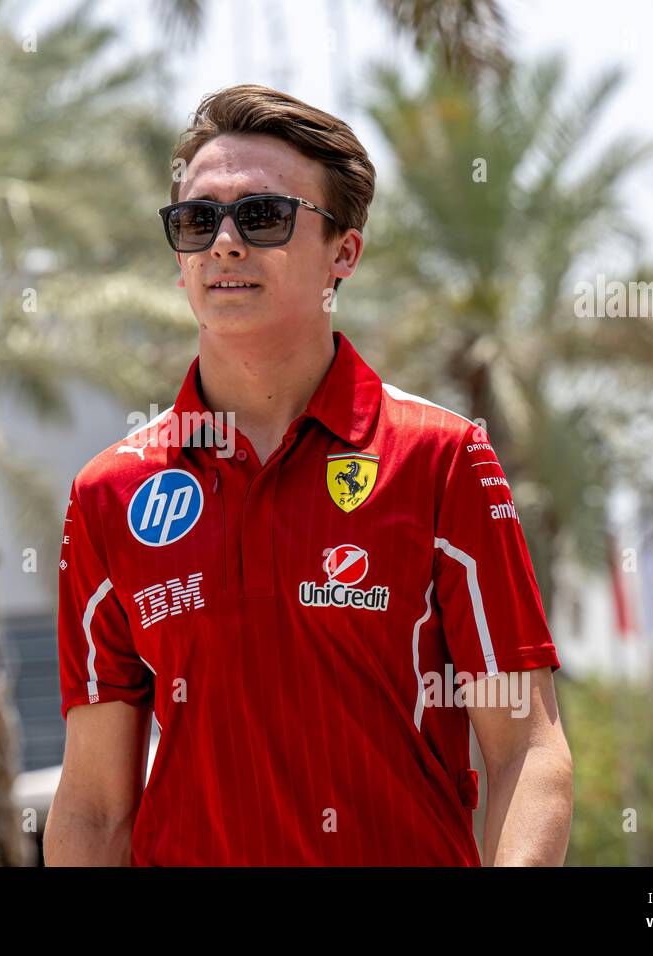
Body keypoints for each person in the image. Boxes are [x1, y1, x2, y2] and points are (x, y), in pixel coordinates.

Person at [46, 84, 573, 866]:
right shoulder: (108, 496)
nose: (224, 243)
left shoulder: (442, 458)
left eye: (263, 216)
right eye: (197, 221)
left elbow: (527, 751)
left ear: (344, 253)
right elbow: (94, 806)